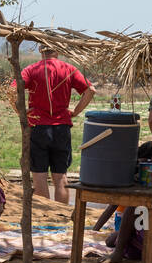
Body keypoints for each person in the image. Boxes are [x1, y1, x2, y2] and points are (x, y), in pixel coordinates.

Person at [9, 44, 95, 204]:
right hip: (61, 127)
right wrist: (75, 111)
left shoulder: (31, 70)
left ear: (41, 51)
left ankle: (45, 219)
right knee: (61, 176)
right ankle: (61, 217)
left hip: (38, 127)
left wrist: (21, 112)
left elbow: (11, 91)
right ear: (59, 50)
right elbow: (90, 90)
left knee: (39, 175)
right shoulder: (69, 69)